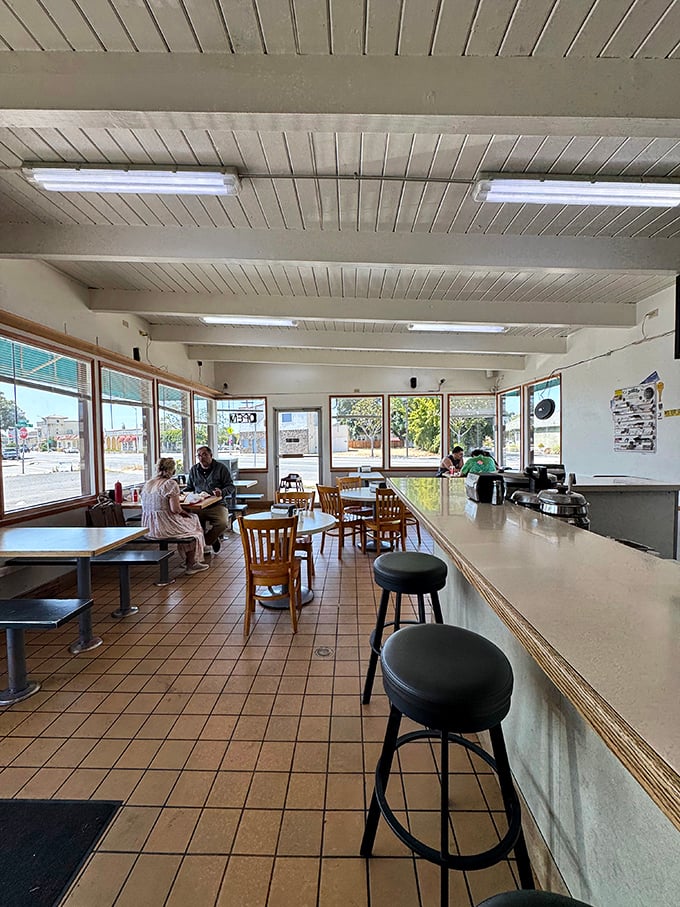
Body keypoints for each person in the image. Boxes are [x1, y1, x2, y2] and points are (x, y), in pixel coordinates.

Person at [141, 457, 208, 575]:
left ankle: (189, 559)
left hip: (149, 527)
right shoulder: (170, 484)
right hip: (164, 527)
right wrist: (185, 513)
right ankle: (191, 563)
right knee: (194, 526)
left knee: (188, 523)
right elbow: (175, 509)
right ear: (172, 470)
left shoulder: (148, 483)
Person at [185, 445, 235, 553]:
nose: (201, 458)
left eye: (204, 455)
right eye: (199, 455)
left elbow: (231, 486)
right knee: (190, 522)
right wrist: (180, 493)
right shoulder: (194, 470)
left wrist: (222, 492)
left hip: (217, 505)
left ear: (211, 455)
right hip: (198, 506)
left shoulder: (221, 468)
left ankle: (208, 541)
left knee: (222, 523)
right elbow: (189, 488)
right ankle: (207, 543)